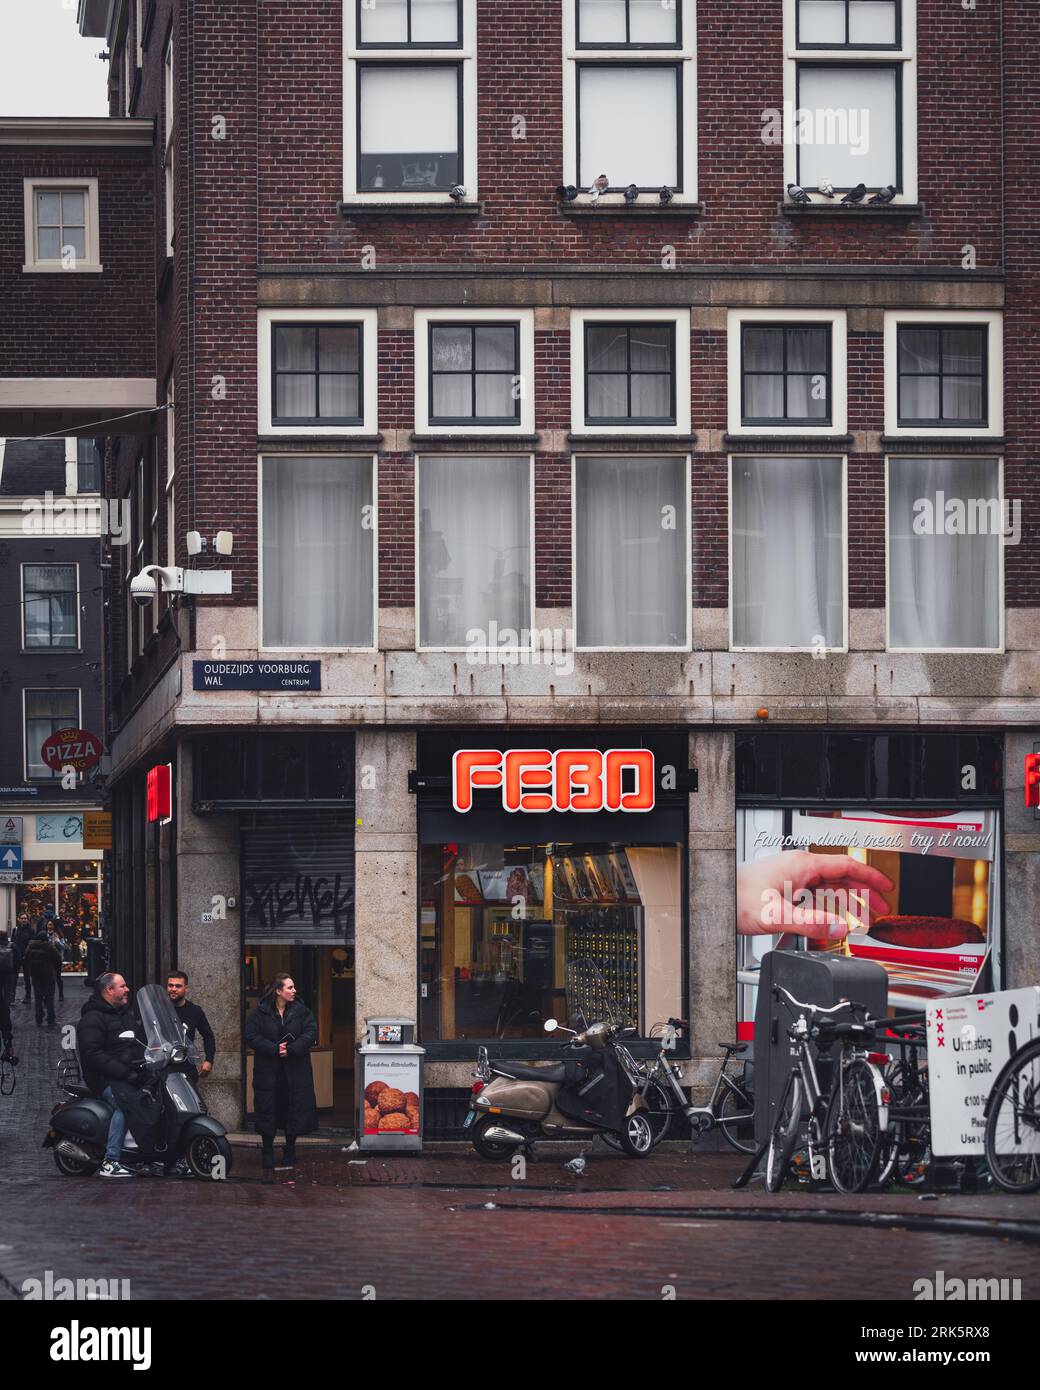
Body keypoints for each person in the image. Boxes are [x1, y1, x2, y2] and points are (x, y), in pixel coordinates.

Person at [244, 973, 317, 1170]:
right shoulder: (260, 1013)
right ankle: (267, 1150)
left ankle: (290, 1149)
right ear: (278, 991)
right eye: (289, 988)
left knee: (292, 1109)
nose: (294, 991)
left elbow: (311, 1033)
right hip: (268, 1072)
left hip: (294, 1072)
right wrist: (274, 1049)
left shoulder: (302, 1011)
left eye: (293, 987)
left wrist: (291, 1050)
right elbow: (251, 1035)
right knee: (268, 1109)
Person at [78, 972, 147, 1178]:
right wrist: (124, 1072)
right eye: (123, 986)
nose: (127, 990)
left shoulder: (124, 1013)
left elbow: (136, 1041)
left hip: (128, 1073)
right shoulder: (93, 1017)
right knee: (125, 1105)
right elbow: (93, 1055)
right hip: (104, 1078)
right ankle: (111, 1160)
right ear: (109, 990)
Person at [165, 970, 215, 1084]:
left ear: (185, 988)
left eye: (178, 986)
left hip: (186, 1066)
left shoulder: (194, 1011)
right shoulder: (159, 1009)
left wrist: (209, 1060)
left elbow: (208, 1035)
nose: (173, 989)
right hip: (163, 1066)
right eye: (170, 985)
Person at [24, 926, 62, 1027]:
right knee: (49, 997)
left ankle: (39, 1018)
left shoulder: (30, 946)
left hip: (35, 975)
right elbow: (58, 958)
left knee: (38, 997)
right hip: (48, 975)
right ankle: (50, 1019)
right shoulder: (49, 946)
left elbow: (26, 958)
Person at [13, 917, 32, 1006]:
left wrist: (25, 954)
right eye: (22, 918)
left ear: (27, 920)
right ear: (18, 919)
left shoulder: (31, 930)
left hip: (27, 957)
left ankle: (28, 996)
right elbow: (13, 943)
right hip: (16, 957)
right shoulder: (15, 930)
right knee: (14, 978)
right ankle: (12, 997)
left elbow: (31, 944)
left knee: (27, 978)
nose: (23, 920)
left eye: (25, 918)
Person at [0, 930, 19, 1013]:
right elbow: (18, 958)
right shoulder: (12, 945)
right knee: (8, 991)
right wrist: (14, 969)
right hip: (9, 972)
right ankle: (6, 1009)